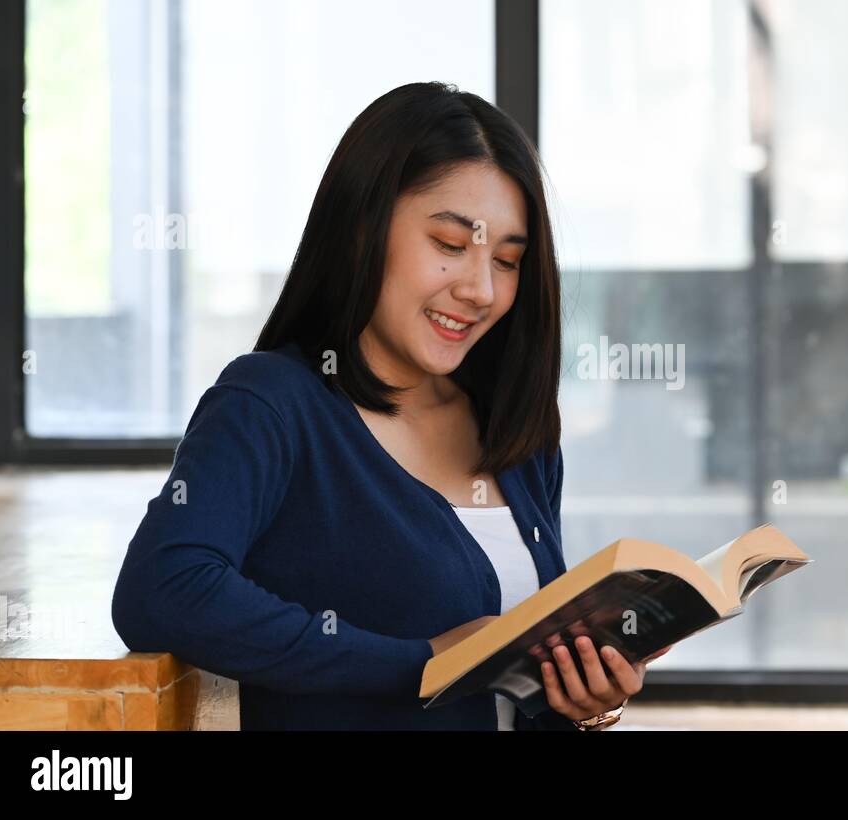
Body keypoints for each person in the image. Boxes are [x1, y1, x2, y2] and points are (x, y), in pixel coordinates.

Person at [111, 81, 669, 730]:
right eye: (450, 245)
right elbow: (163, 589)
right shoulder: (271, 405)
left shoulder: (518, 435)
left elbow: (514, 691)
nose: (481, 289)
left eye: (508, 260)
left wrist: (589, 699)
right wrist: (422, 663)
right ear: (361, 230)